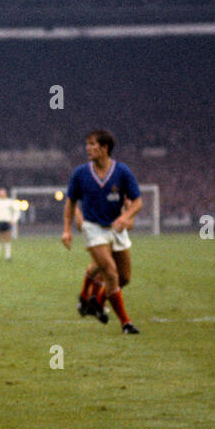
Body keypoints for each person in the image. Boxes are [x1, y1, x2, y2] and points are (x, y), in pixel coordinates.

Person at [61, 129, 143, 334]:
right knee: (110, 271)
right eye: (87, 144)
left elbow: (138, 202)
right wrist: (66, 230)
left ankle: (96, 301)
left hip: (115, 229)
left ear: (104, 148)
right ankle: (126, 323)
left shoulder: (122, 172)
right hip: (93, 229)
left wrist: (126, 216)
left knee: (124, 277)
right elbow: (70, 203)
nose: (87, 148)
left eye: (92, 144)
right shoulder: (80, 173)